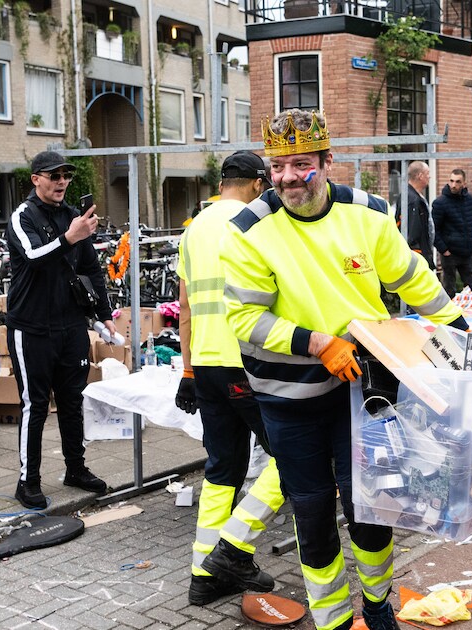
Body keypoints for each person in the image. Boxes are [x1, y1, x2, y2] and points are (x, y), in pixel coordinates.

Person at [206, 109, 471, 630]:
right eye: (277, 166)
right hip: (289, 399)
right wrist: (317, 343)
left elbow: (412, 278)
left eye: (300, 164)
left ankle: (376, 606)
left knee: (374, 508)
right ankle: (331, 621)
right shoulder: (249, 229)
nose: (286, 177)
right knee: (312, 515)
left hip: (364, 391)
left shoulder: (368, 215)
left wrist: (466, 338)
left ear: (328, 162)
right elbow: (245, 319)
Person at [175, 151, 286, 606]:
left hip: (206, 365)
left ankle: (204, 576)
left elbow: (184, 309)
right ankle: (233, 548)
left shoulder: (194, 227)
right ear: (259, 184)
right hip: (248, 363)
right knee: (295, 456)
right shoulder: (256, 221)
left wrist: (186, 370)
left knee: (223, 470)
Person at [5, 151, 115, 509]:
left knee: (72, 401)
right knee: (34, 405)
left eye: (66, 176)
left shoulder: (74, 217)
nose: (62, 182)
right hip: (31, 326)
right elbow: (35, 258)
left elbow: (91, 269)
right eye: (54, 176)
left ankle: (76, 469)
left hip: (70, 325)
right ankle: (28, 481)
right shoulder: (23, 215)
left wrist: (104, 313)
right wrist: (70, 237)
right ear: (35, 178)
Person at [397, 161, 435, 269]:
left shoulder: (414, 196)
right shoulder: (412, 200)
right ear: (420, 176)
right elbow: (412, 232)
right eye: (427, 173)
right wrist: (419, 258)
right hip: (416, 259)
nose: (430, 176)